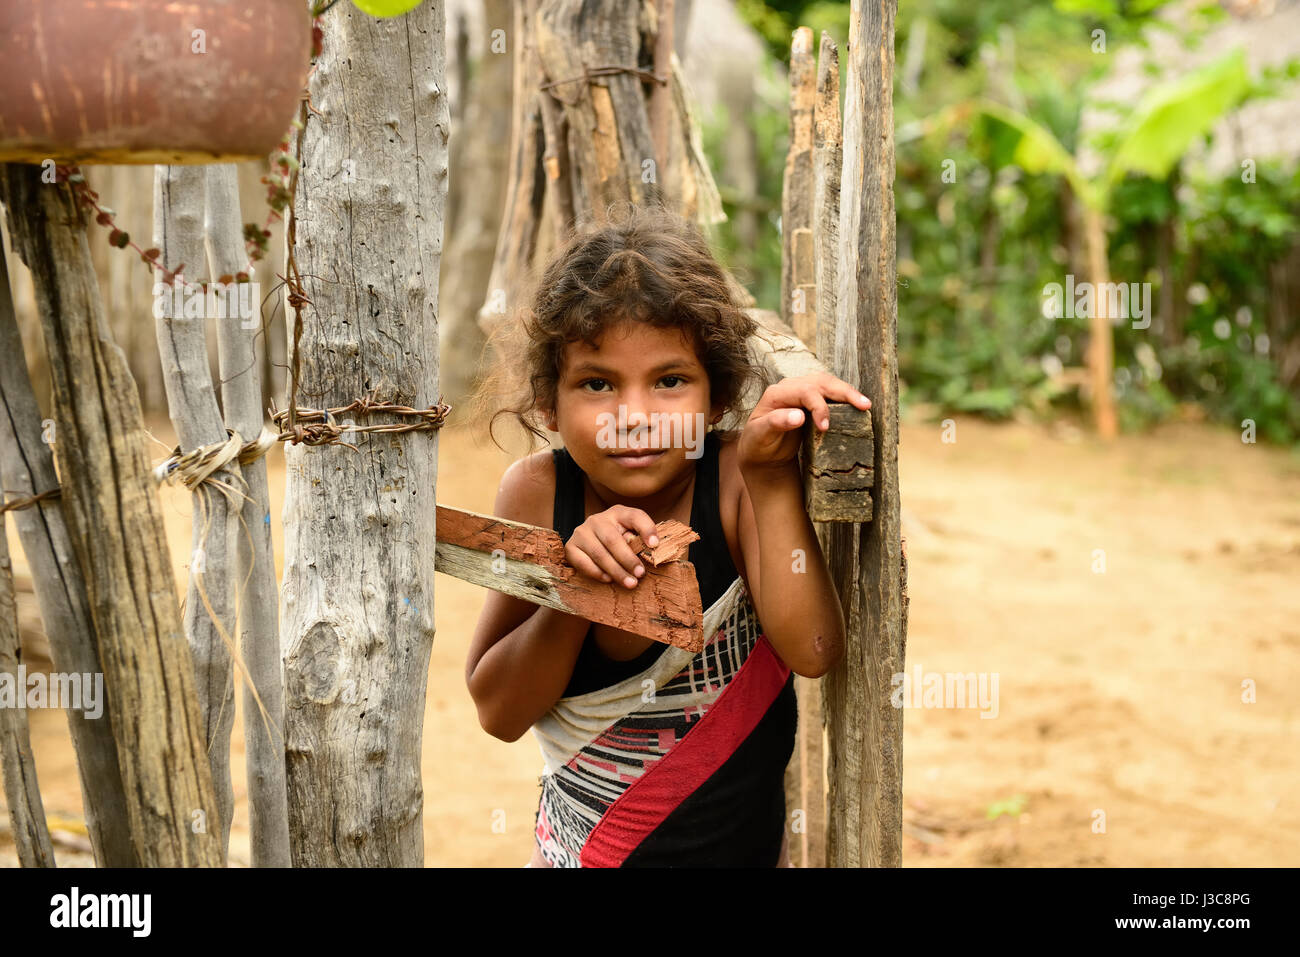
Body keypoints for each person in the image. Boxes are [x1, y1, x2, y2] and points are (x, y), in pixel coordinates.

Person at [464, 204, 870, 867]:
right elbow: (498, 711)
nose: (634, 417)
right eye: (597, 384)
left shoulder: (740, 476)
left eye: (670, 381)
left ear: (714, 400)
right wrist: (576, 591)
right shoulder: (538, 494)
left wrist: (770, 480)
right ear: (549, 403)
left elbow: (816, 647)